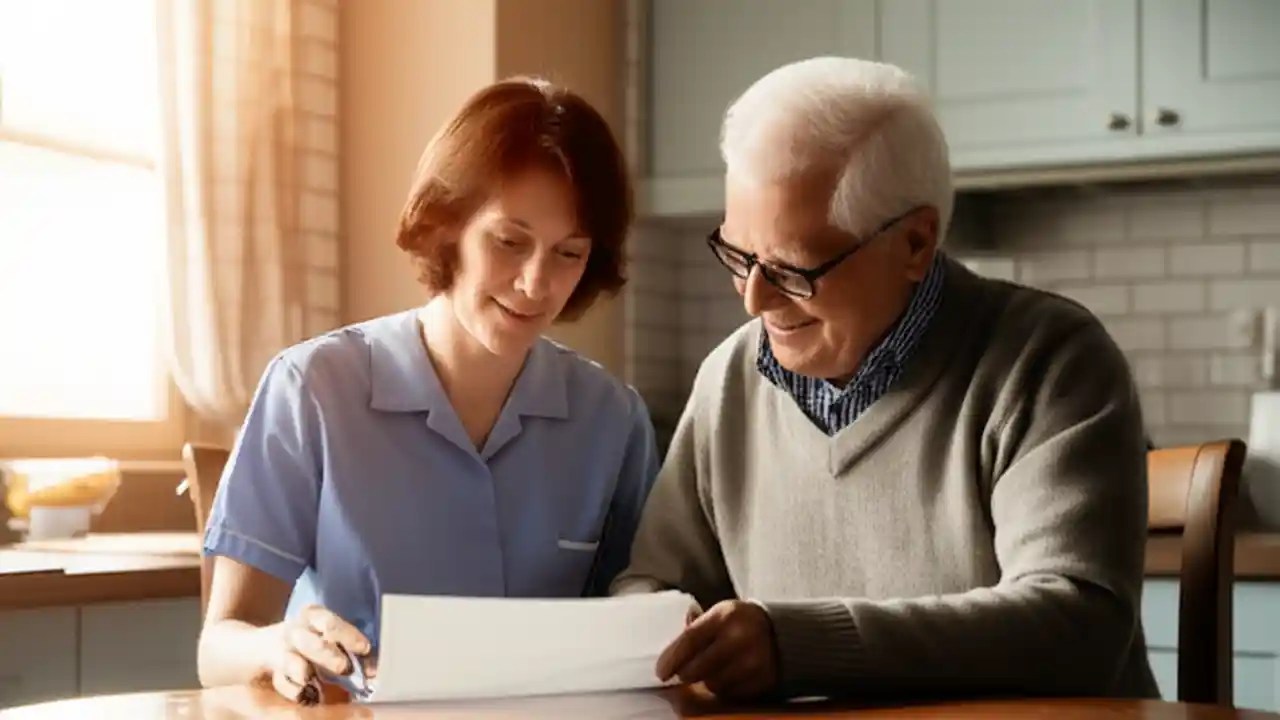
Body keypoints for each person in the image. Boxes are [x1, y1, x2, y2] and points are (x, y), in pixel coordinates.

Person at [613, 57, 1159, 701]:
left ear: (915, 244)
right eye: (738, 256)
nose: (754, 301)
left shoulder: (1050, 361)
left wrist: (798, 645)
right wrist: (659, 629)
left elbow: (1077, 625)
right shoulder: (728, 379)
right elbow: (650, 586)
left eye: (793, 269)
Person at [197, 77, 659, 703]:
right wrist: (274, 644)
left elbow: (634, 631)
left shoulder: (613, 419)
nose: (535, 283)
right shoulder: (314, 389)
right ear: (447, 227)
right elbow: (218, 648)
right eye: (509, 241)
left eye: (568, 254)